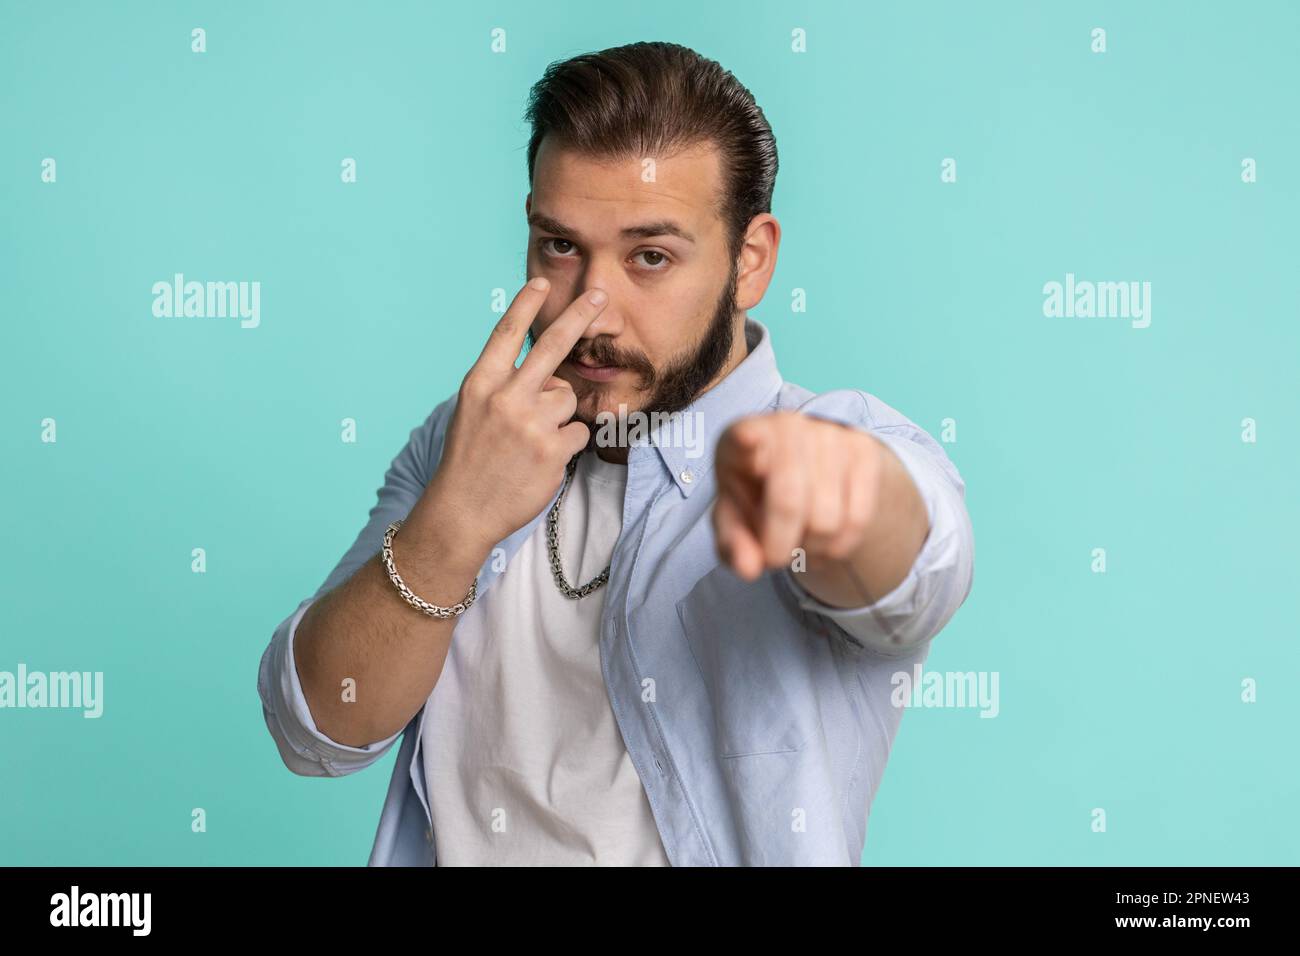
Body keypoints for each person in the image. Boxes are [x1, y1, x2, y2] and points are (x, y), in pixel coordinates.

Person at [257, 40, 975, 866]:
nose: (593, 313)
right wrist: (453, 525)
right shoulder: (467, 440)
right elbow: (316, 730)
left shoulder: (832, 441)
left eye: (650, 258)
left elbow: (917, 570)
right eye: (560, 247)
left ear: (751, 261)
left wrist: (843, 498)